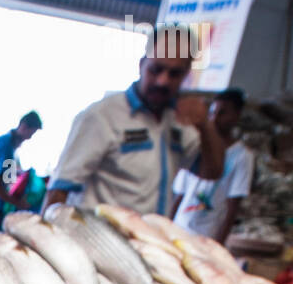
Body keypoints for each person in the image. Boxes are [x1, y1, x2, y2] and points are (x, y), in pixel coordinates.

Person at [45, 26, 224, 215]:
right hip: (95, 238)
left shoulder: (180, 121)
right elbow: (58, 190)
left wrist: (206, 125)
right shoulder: (102, 116)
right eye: (156, 69)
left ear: (186, 74)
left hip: (145, 239)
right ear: (141, 65)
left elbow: (212, 172)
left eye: (174, 74)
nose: (162, 81)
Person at [170, 88, 253, 245]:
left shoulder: (242, 156)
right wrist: (167, 226)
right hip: (178, 228)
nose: (214, 118)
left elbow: (232, 207)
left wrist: (218, 245)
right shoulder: (196, 145)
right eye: (212, 113)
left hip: (205, 237)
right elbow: (179, 194)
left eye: (222, 113)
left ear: (236, 116)